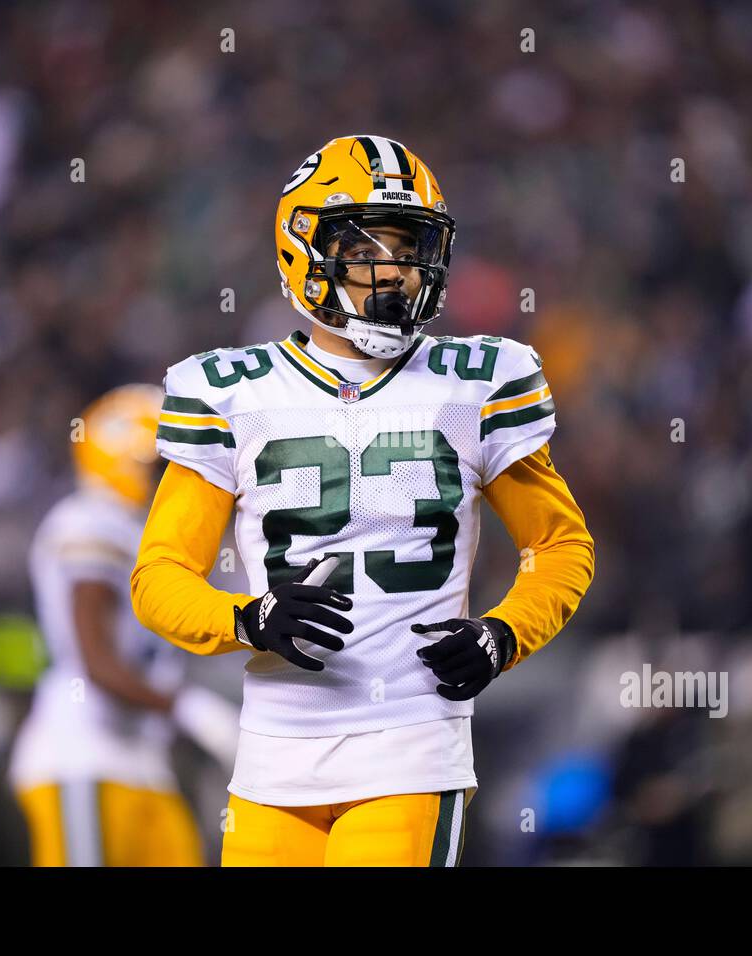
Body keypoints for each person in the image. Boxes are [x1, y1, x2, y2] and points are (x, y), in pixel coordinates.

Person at [132, 135, 595, 866]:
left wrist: (503, 634)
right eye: (367, 249)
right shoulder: (231, 390)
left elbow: (560, 546)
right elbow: (158, 576)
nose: (397, 274)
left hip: (410, 745)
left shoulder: (476, 380)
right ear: (304, 249)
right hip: (273, 755)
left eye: (409, 250)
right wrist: (246, 620)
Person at [10, 384, 205, 866]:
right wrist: (187, 707)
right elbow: (97, 663)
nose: (177, 480)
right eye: (163, 466)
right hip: (82, 754)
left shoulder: (146, 534)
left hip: (144, 759)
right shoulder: (92, 521)